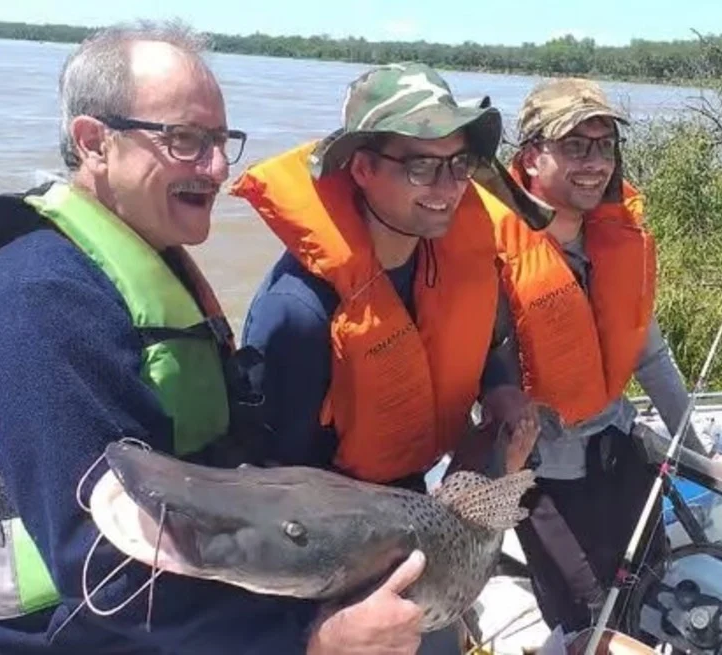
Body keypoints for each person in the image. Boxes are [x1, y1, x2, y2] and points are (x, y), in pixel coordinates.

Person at [0, 21, 425, 654]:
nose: (214, 167)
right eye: (183, 139)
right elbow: (105, 562)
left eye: (219, 141)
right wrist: (309, 640)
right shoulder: (38, 302)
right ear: (93, 142)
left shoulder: (143, 267)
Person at [229, 62, 547, 653]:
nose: (447, 186)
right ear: (364, 168)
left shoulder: (448, 255)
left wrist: (499, 388)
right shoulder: (297, 314)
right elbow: (285, 500)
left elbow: (476, 343)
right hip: (345, 556)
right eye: (421, 165)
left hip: (423, 503)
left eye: (458, 164)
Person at [479, 78, 705, 635]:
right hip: (548, 486)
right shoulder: (492, 256)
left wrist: (698, 456)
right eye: (575, 146)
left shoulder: (615, 240)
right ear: (530, 158)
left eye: (604, 146)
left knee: (656, 587)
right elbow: (481, 385)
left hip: (621, 454)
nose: (594, 163)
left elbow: (651, 358)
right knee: (589, 622)